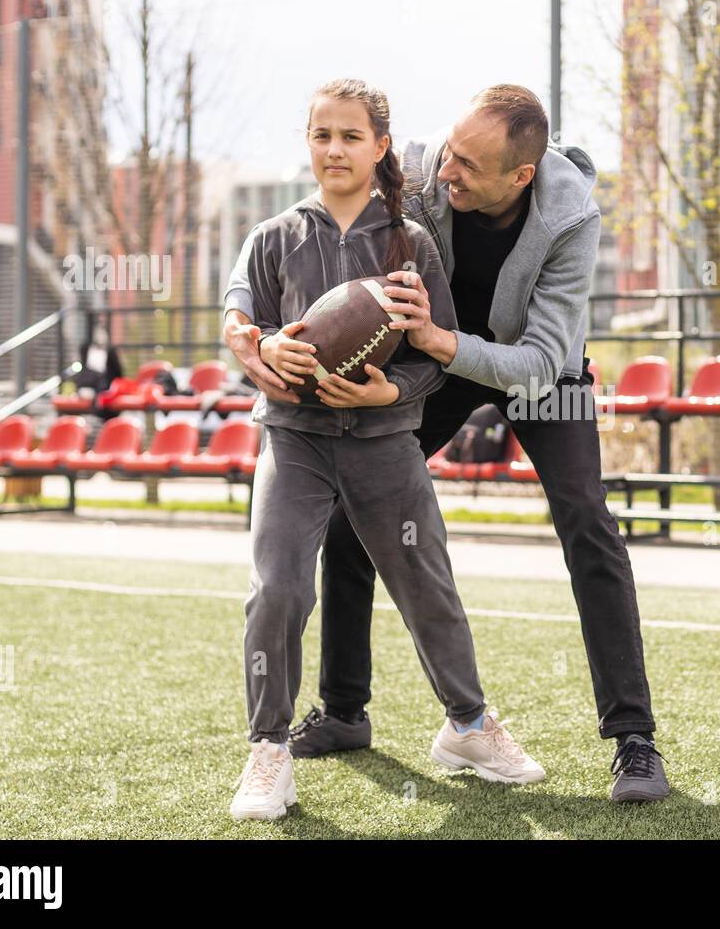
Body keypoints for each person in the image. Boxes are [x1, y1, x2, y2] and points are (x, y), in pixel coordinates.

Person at [226, 85, 668, 803]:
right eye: (448, 152)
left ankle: (634, 740)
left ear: (519, 177)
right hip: (437, 359)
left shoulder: (571, 216)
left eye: (467, 165)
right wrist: (378, 371)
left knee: (589, 520)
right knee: (349, 494)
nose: (445, 172)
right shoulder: (427, 174)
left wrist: (438, 343)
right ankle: (344, 711)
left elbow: (538, 361)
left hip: (532, 364)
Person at [228, 78, 543, 822]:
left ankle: (467, 726)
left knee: (427, 583)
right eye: (320, 135)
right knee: (277, 589)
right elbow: (243, 327)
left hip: (380, 441)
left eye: (349, 137)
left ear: (380, 148)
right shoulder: (274, 237)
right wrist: (269, 343)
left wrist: (388, 394)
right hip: (294, 440)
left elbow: (434, 357)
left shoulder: (412, 242)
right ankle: (269, 750)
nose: (333, 149)